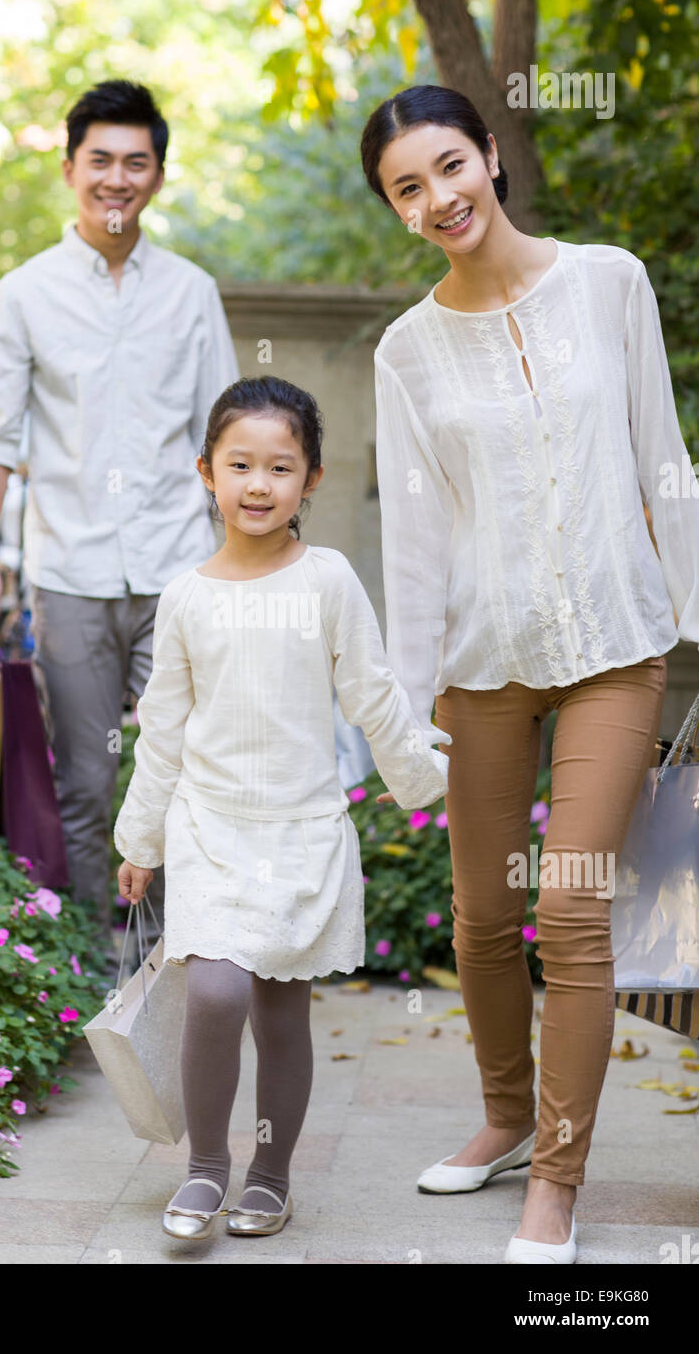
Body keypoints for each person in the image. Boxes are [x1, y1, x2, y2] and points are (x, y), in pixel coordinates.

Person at [360, 83, 699, 1264]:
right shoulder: (404, 353)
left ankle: (554, 1178)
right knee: (484, 911)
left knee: (569, 904)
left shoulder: (607, 281)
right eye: (408, 186)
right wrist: (407, 717)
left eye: (448, 166)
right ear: (396, 209)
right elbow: (413, 543)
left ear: (490, 155)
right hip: (483, 661)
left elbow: (663, 459)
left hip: (615, 639)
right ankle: (504, 1115)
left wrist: (693, 616)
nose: (437, 197)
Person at [113, 375, 450, 1240]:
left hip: (301, 830)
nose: (258, 485)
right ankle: (203, 1171)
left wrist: (426, 777)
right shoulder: (185, 596)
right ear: (206, 472)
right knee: (217, 993)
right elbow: (163, 729)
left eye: (280, 467)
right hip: (210, 826)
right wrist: (141, 837)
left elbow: (372, 695)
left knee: (280, 1009)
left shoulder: (330, 581)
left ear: (312, 480)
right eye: (240, 465)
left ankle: (269, 1175)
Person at [0, 80, 238, 967]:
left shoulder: (192, 293)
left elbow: (227, 431)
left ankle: (181, 963)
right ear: (72, 167)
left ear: (157, 174)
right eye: (101, 160)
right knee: (87, 781)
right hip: (72, 572)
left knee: (192, 774)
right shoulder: (25, 293)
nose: (118, 178)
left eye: (137, 162)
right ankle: (90, 973)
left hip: (181, 572)